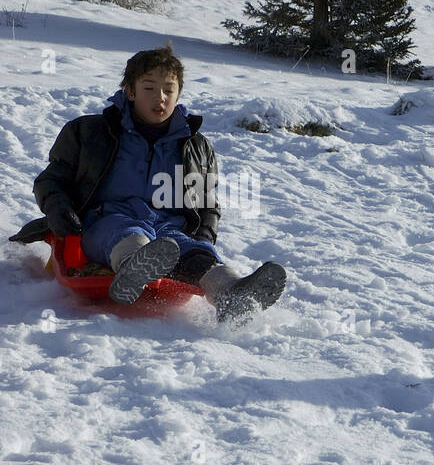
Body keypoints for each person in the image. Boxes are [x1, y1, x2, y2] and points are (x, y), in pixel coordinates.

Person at [13, 43, 285, 322]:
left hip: (167, 228)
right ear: (130, 91)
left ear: (179, 94)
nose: (161, 98)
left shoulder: (194, 145)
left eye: (169, 89)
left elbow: (205, 202)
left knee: (193, 252)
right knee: (128, 234)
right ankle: (134, 268)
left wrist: (204, 234)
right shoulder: (90, 132)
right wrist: (59, 210)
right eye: (149, 88)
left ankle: (230, 293)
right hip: (105, 220)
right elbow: (51, 180)